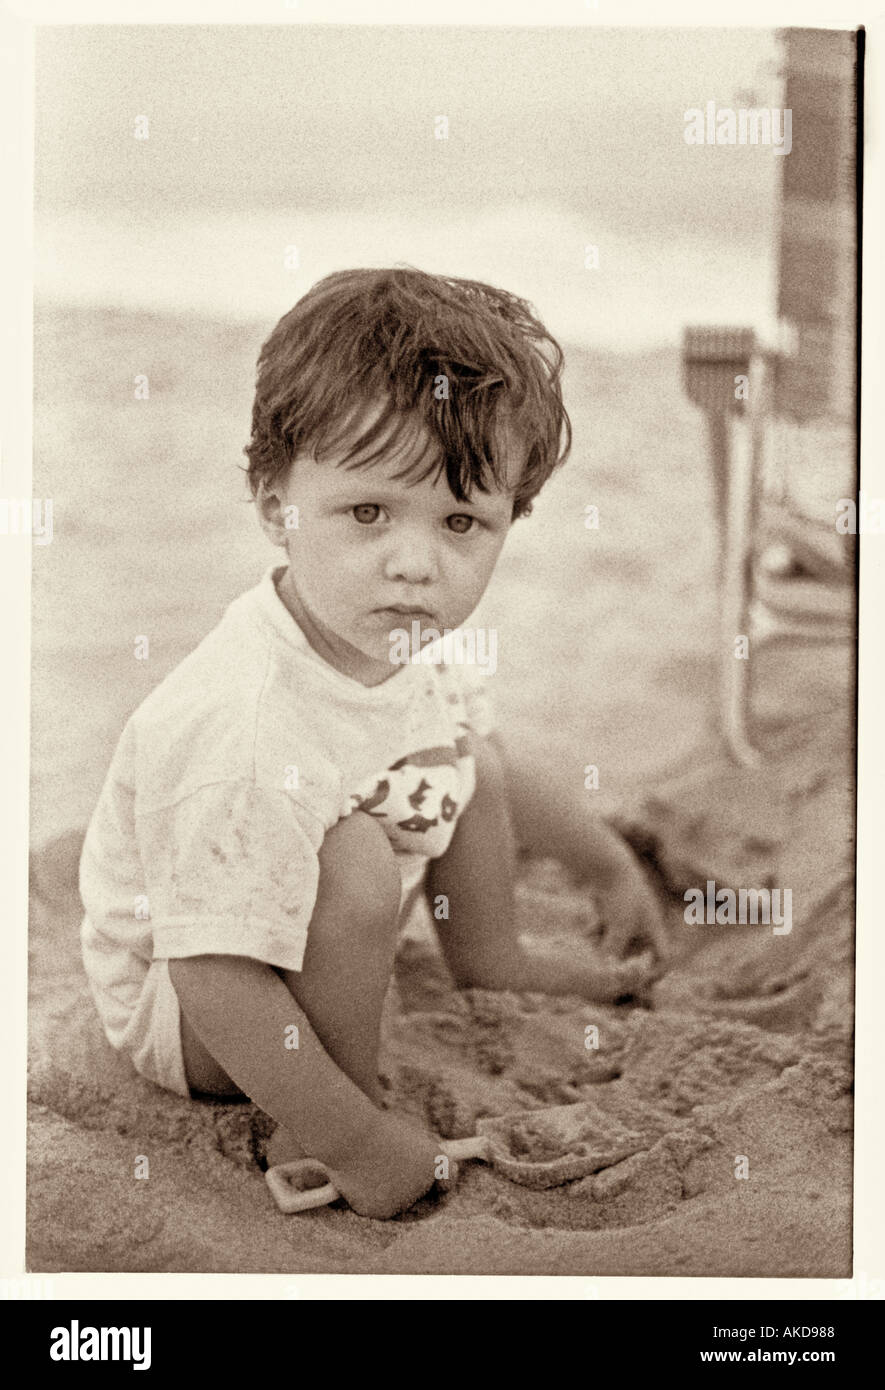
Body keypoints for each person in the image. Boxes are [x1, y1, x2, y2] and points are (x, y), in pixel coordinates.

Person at [80, 267, 668, 1220]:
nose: (414, 562)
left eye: (461, 522)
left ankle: (492, 953)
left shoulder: (400, 632)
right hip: (197, 1010)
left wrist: (603, 865)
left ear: (507, 522)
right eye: (367, 513)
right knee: (352, 857)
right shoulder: (244, 723)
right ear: (277, 504)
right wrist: (354, 1138)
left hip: (291, 934)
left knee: (455, 759)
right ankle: (323, 1111)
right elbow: (213, 974)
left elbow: (489, 752)